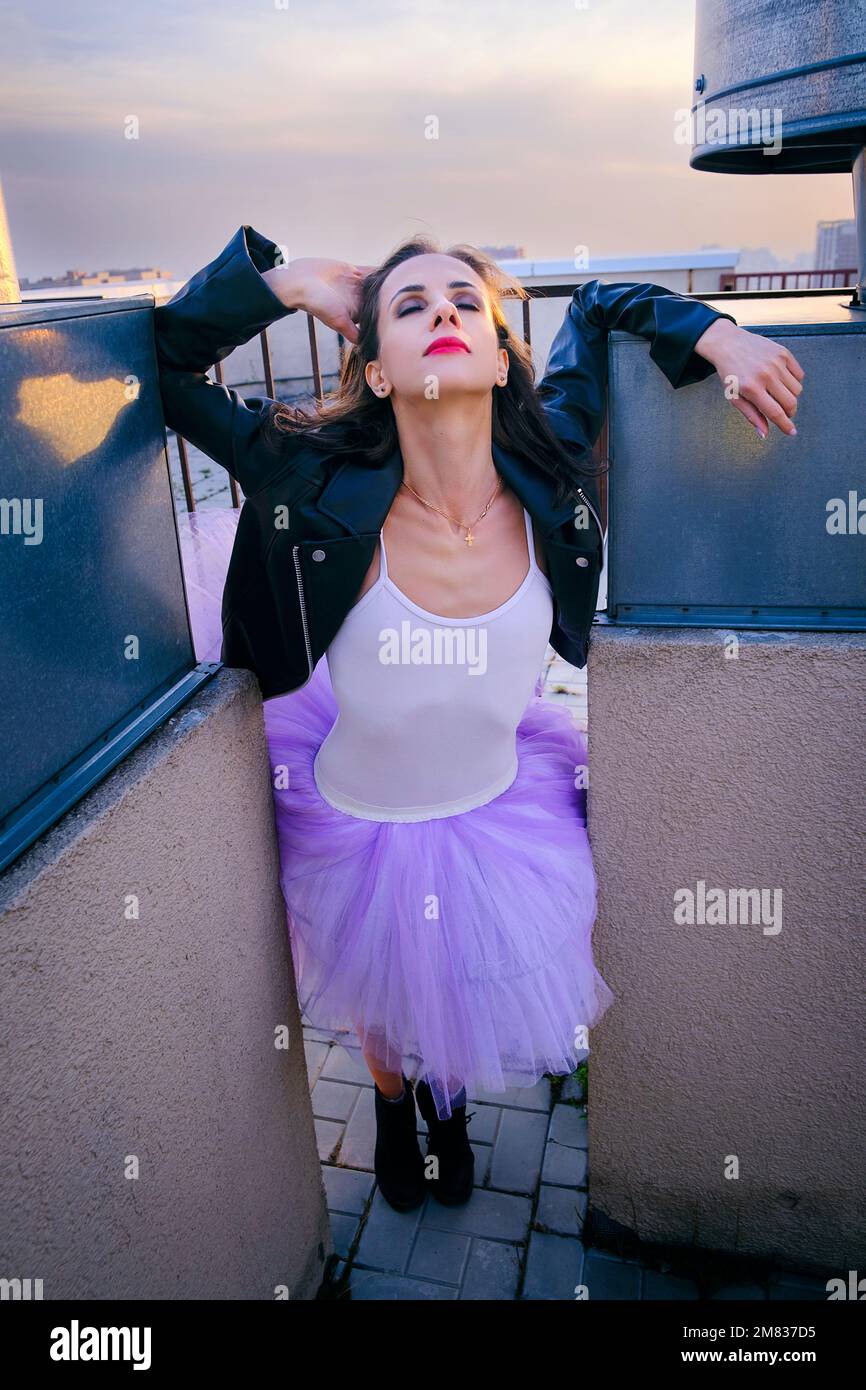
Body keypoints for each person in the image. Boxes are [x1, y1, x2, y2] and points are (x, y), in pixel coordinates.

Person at [155, 224, 804, 1212]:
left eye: (464, 300)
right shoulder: (307, 473)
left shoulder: (549, 457)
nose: (444, 313)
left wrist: (715, 335)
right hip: (356, 811)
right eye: (408, 306)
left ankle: (446, 1111)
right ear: (374, 373)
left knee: (454, 980)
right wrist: (279, 281)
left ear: (499, 356)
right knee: (378, 991)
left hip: (495, 801)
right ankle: (389, 1113)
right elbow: (159, 365)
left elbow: (596, 307)